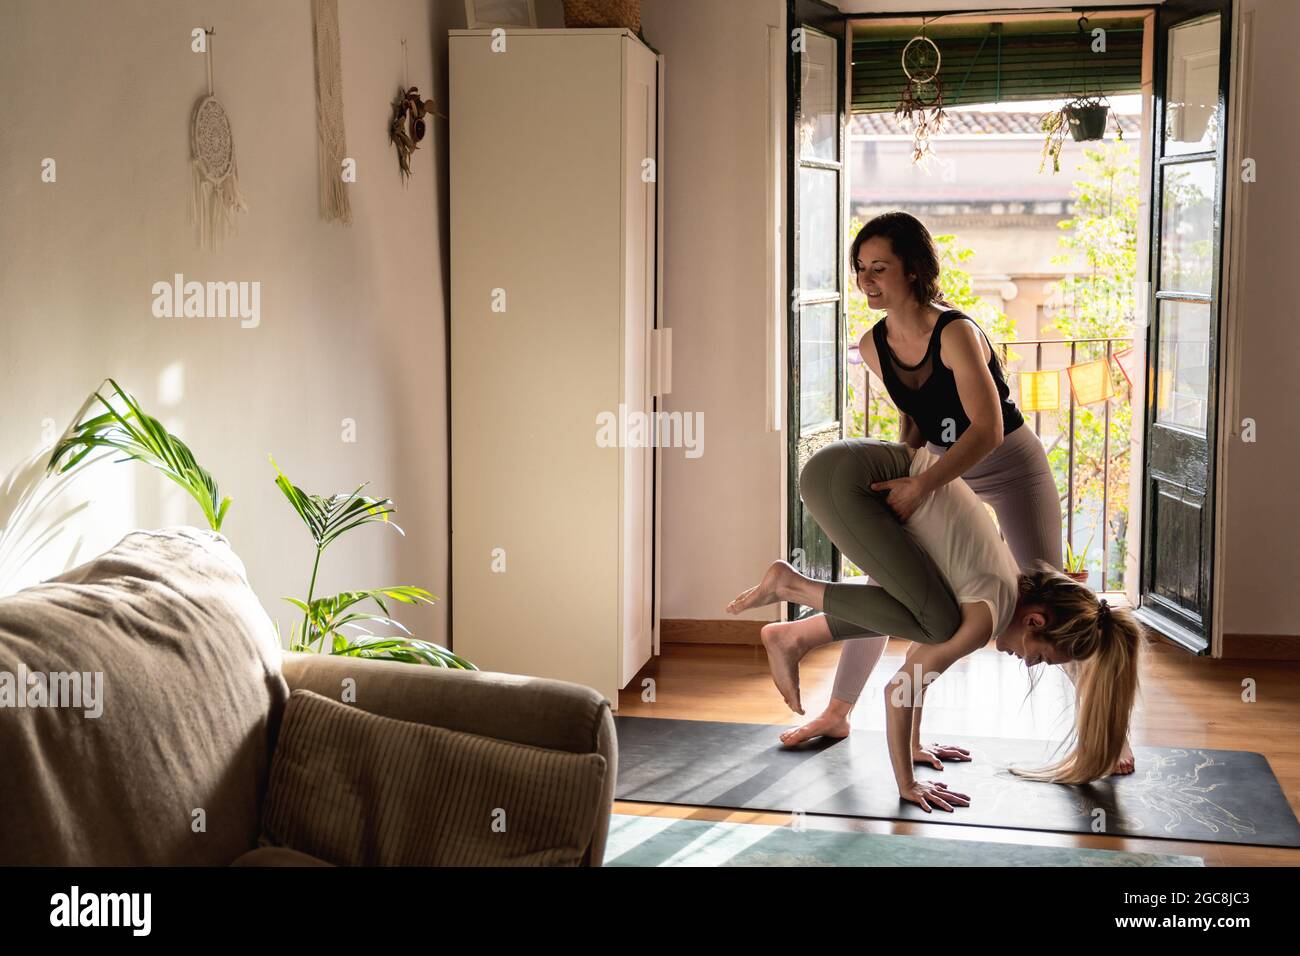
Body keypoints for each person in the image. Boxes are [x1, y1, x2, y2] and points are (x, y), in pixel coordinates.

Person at [781, 209, 1135, 775]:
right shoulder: (874, 346)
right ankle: (838, 711)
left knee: (1050, 596)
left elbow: (988, 428)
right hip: (945, 470)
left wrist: (923, 483)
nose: (867, 281)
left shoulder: (956, 331)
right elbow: (915, 417)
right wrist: (908, 471)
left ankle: (1106, 731)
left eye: (880, 268)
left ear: (914, 271)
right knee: (894, 585)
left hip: (1008, 466)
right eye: (860, 269)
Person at [725, 438, 1143, 813]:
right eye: (1044, 657)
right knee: (938, 623)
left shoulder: (998, 589)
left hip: (846, 471)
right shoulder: (985, 615)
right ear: (1036, 621)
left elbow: (914, 664)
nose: (1030, 664)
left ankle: (794, 632)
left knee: (936, 621)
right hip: (845, 480)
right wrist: (907, 784)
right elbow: (899, 692)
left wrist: (914, 744)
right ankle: (791, 587)